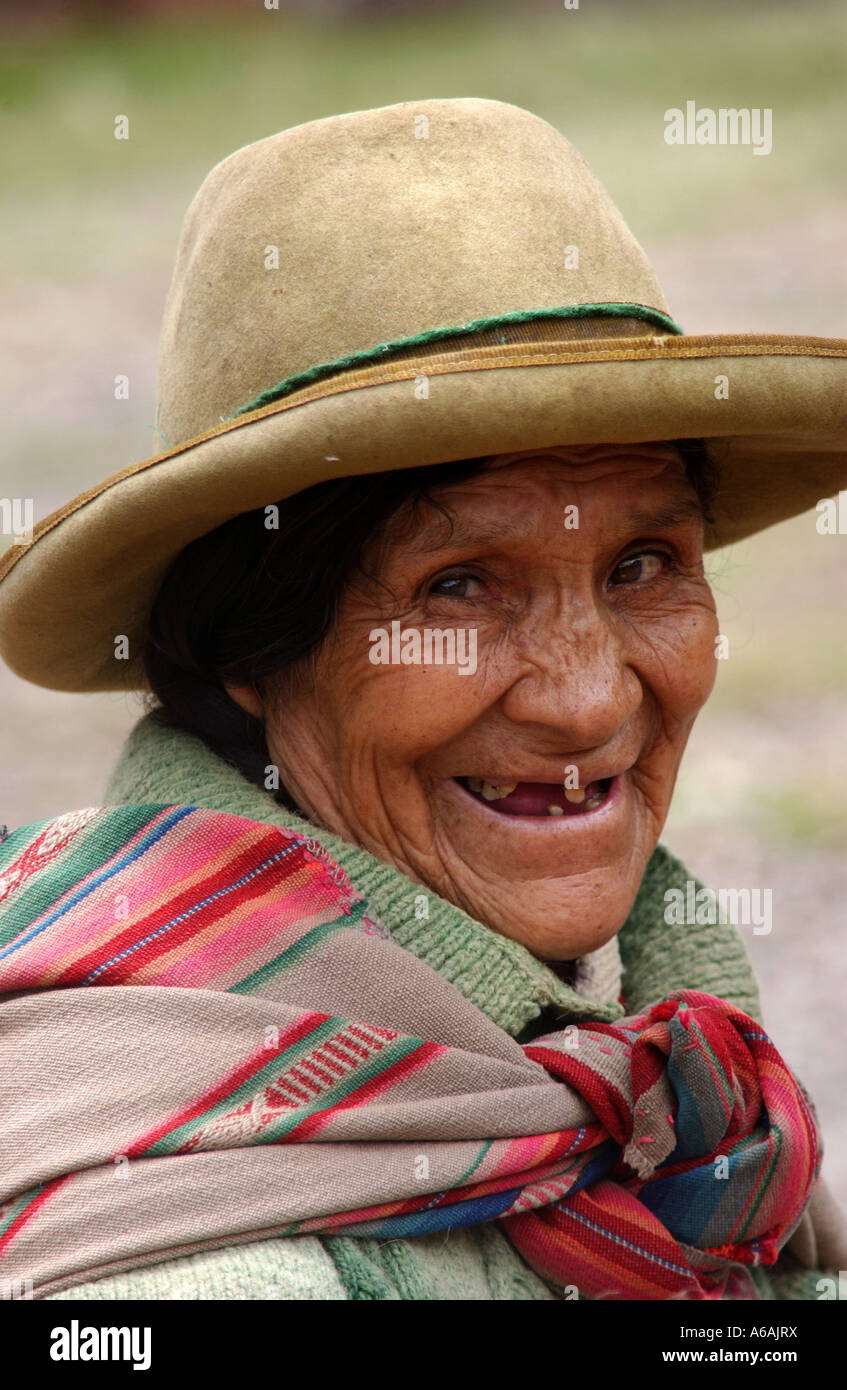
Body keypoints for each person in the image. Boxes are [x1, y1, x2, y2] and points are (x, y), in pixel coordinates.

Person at [1, 97, 845, 1302]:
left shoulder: (660, 1085)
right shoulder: (183, 1257)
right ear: (250, 644)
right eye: (457, 587)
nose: (587, 696)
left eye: (643, 565)